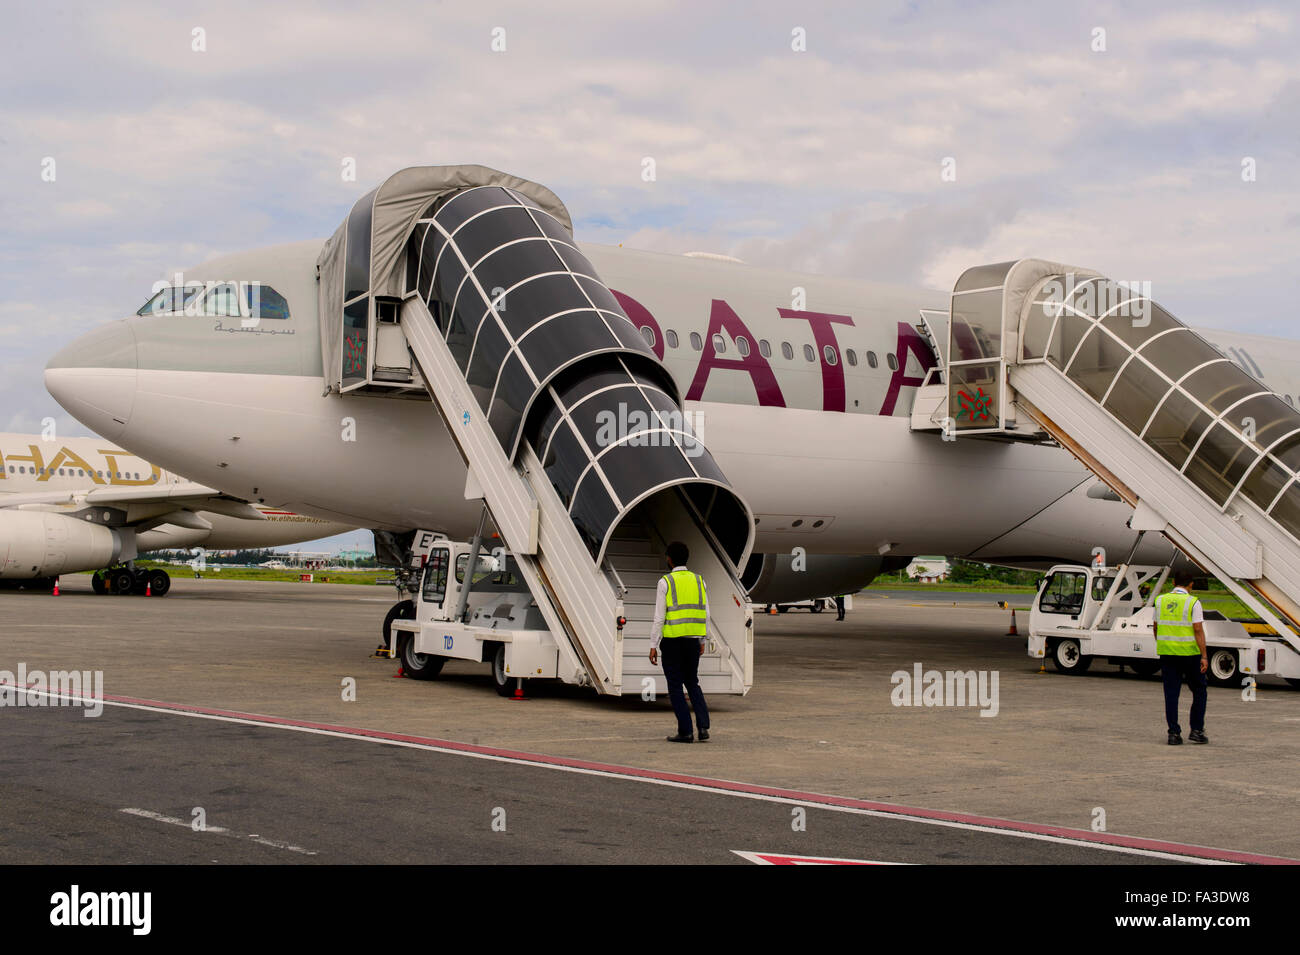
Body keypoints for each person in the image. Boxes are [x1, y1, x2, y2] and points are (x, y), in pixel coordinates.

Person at [648, 541, 710, 743]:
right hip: (693, 641)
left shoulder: (665, 582)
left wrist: (653, 644)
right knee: (692, 682)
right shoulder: (700, 581)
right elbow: (706, 614)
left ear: (670, 559)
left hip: (673, 641)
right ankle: (702, 728)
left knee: (675, 686)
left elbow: (659, 617)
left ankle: (686, 732)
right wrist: (702, 639)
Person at [1154, 569, 1209, 745]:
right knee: (1199, 690)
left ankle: (1173, 733)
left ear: (1173, 583)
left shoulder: (1160, 600)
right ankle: (1197, 730)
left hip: (1167, 653)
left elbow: (1155, 627)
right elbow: (1198, 630)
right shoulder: (1193, 602)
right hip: (1190, 654)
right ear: (1191, 584)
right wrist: (1204, 656)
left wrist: (1162, 643)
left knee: (1171, 694)